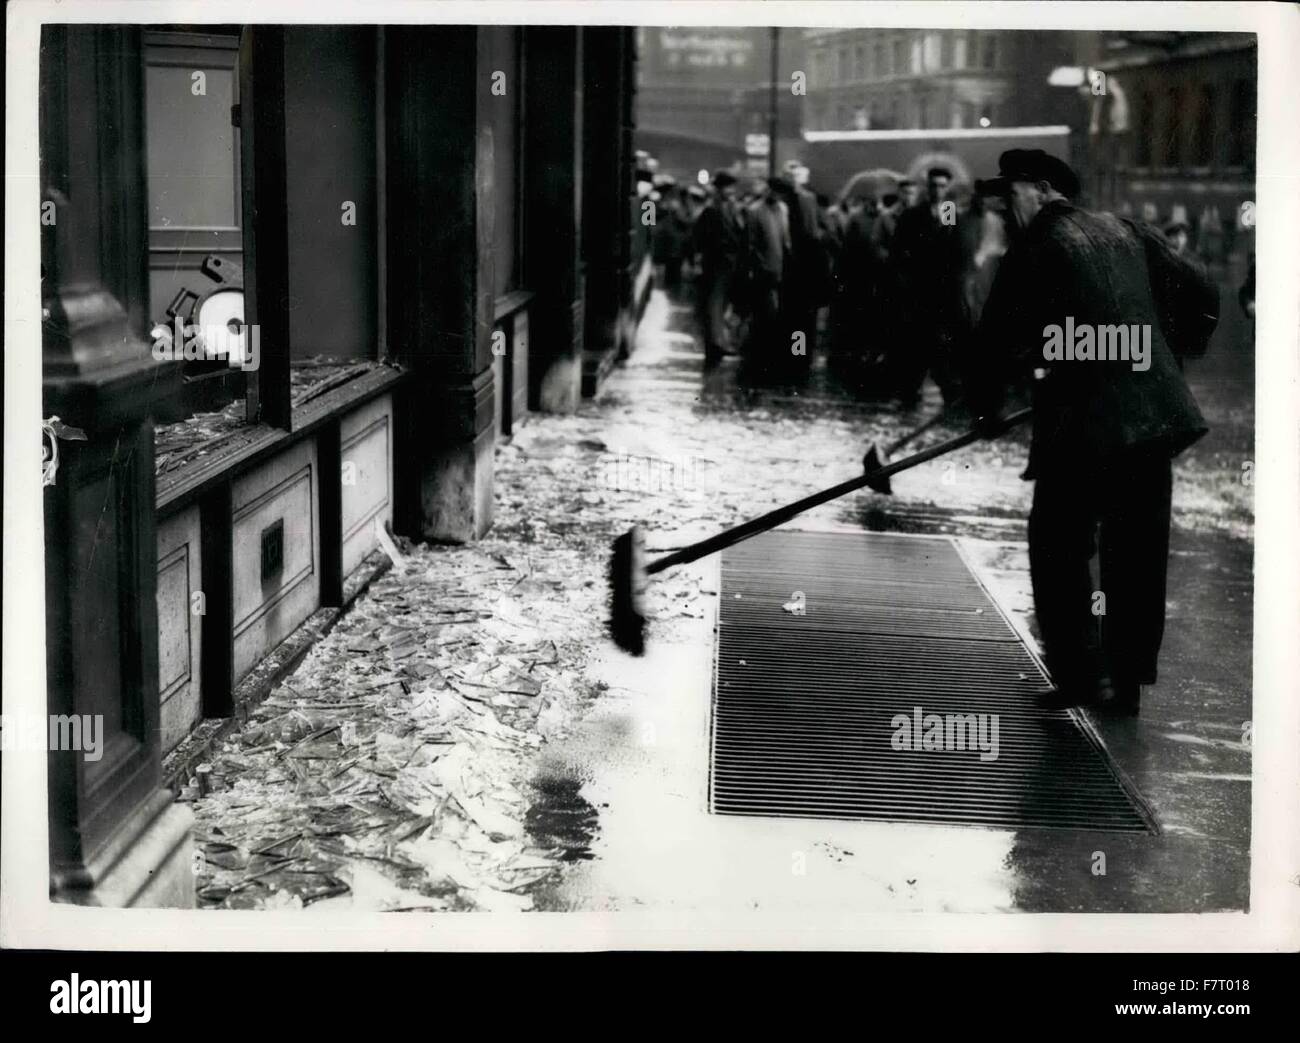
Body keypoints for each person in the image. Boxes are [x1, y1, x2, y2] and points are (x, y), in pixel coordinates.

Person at [969, 149, 1218, 715]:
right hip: (1154, 420)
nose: (1004, 211)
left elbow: (992, 344)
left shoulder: (1034, 247)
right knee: (1137, 549)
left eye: (1008, 197)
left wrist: (985, 412)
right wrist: (1160, 358)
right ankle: (1125, 683)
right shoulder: (1126, 230)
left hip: (1084, 426)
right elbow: (1201, 294)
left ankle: (1082, 675)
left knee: (1057, 544)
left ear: (1039, 190)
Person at [892, 165, 962, 406]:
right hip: (917, 292)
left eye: (942, 186)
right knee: (915, 348)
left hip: (943, 293)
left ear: (948, 187)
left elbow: (954, 248)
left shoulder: (950, 212)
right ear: (927, 186)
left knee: (942, 348)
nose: (937, 191)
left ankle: (949, 398)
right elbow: (898, 253)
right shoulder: (912, 215)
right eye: (933, 186)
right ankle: (909, 395)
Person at [691, 171, 747, 364]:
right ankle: (715, 343)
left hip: (727, 262)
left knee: (720, 304)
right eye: (728, 187)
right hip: (715, 262)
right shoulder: (711, 209)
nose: (731, 191)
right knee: (714, 303)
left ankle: (717, 342)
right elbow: (699, 238)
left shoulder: (729, 208)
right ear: (720, 188)